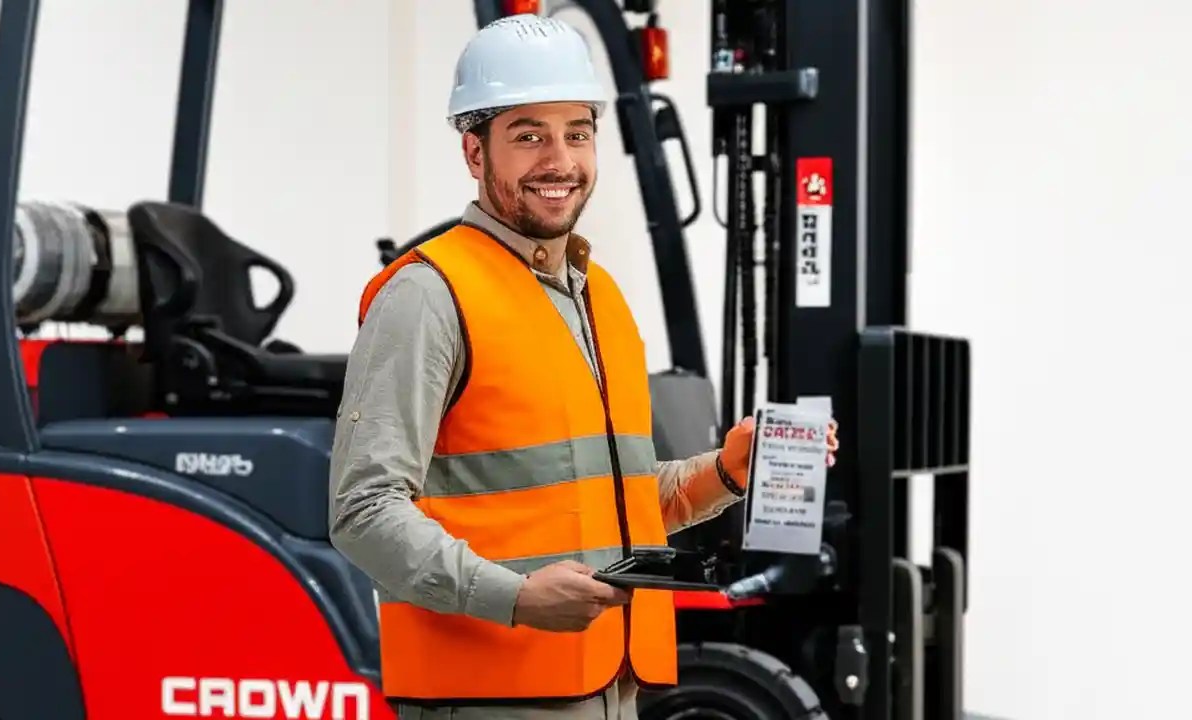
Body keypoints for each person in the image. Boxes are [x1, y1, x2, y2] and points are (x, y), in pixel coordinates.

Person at [328, 14, 839, 720]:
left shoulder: (597, 298)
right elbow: (362, 511)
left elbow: (613, 503)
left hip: (607, 688)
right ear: (474, 153)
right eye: (528, 134)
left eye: (577, 132)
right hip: (490, 696)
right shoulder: (427, 294)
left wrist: (727, 472)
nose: (558, 159)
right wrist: (515, 596)